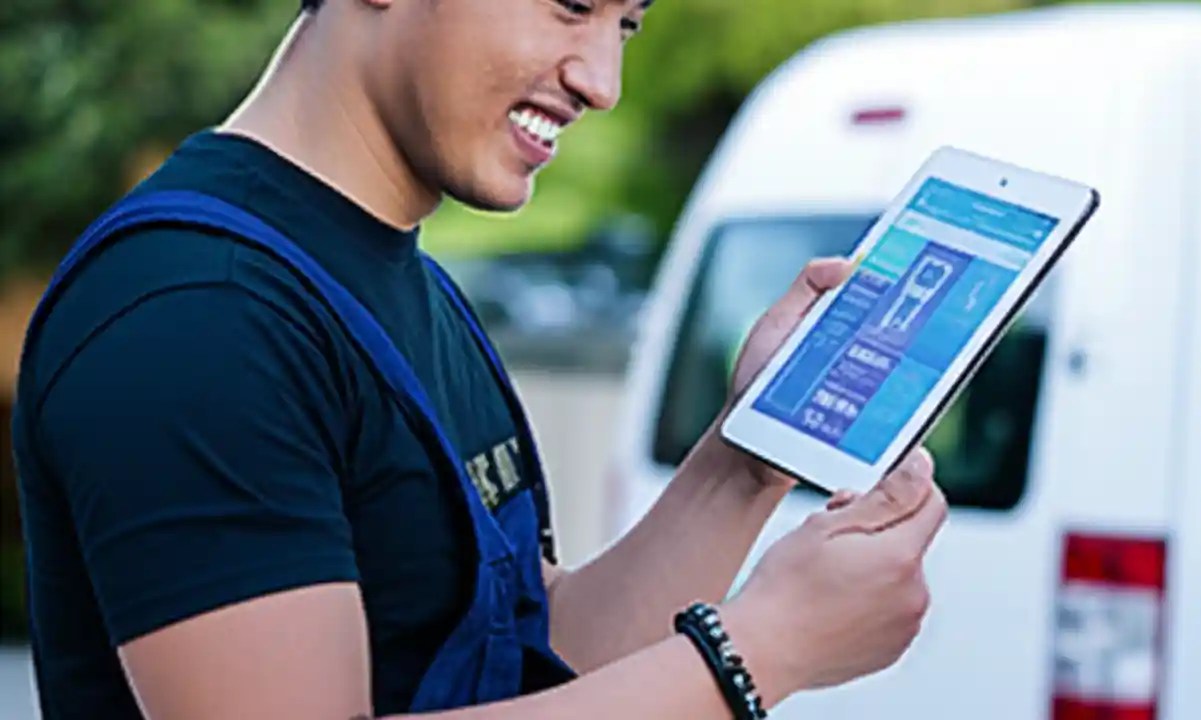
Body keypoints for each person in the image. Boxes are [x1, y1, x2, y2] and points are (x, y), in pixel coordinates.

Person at [12, 1, 949, 718]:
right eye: (572, 6)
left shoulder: (405, 285)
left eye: (626, 24)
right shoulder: (196, 311)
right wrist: (761, 650)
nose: (603, 81)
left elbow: (534, 657)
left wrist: (744, 461)